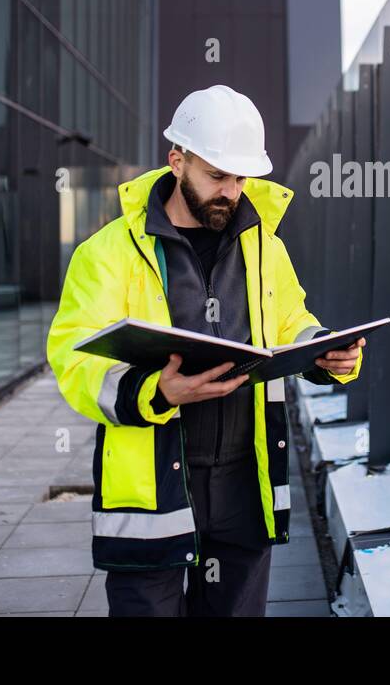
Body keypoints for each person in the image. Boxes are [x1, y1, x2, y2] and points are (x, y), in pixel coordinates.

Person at [46, 83, 364, 616]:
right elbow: (73, 358)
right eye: (217, 175)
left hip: (244, 483)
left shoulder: (265, 246)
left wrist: (324, 354)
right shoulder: (106, 254)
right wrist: (154, 391)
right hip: (152, 489)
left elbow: (292, 322)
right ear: (177, 161)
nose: (232, 191)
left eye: (241, 177)